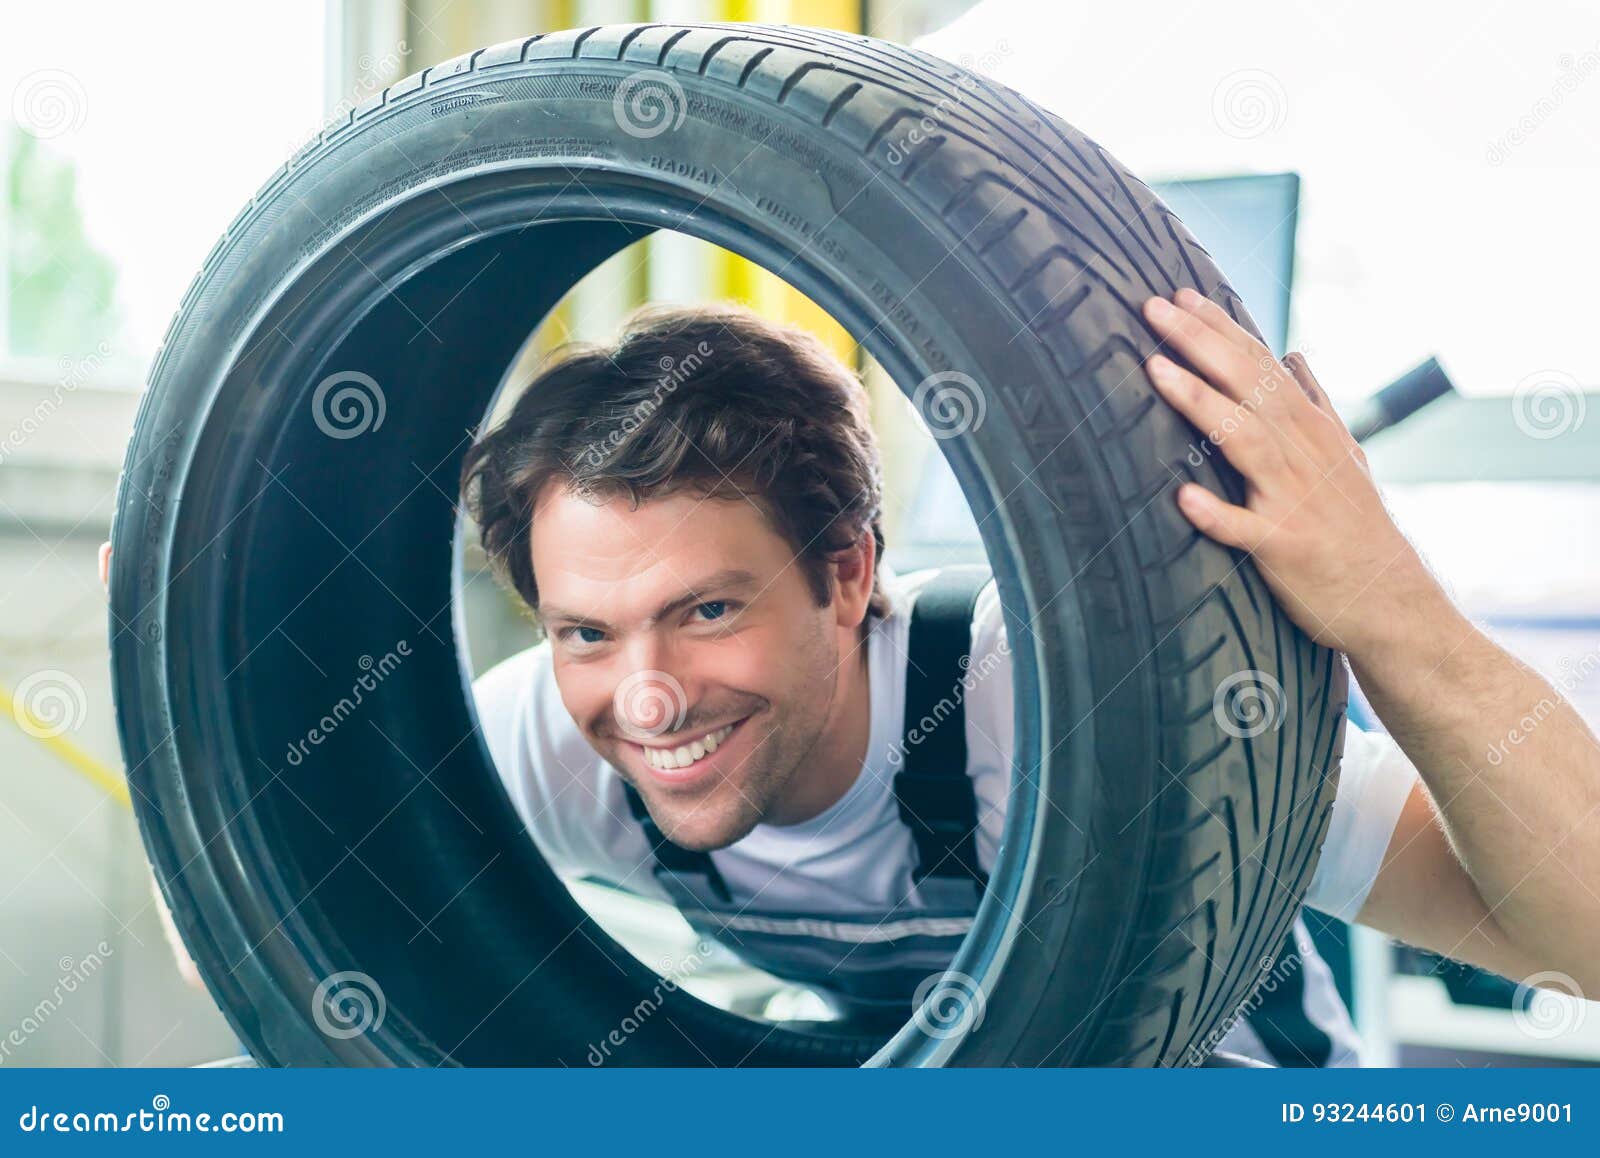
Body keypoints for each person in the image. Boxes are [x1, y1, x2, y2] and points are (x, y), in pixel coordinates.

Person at [104, 292, 1600, 1065]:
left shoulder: (1069, 711)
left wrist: (1385, 598)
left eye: (703, 610)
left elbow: (1582, 932)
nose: (646, 696)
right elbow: (258, 927)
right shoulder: (568, 742)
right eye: (582, 630)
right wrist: (216, 704)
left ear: (845, 573)